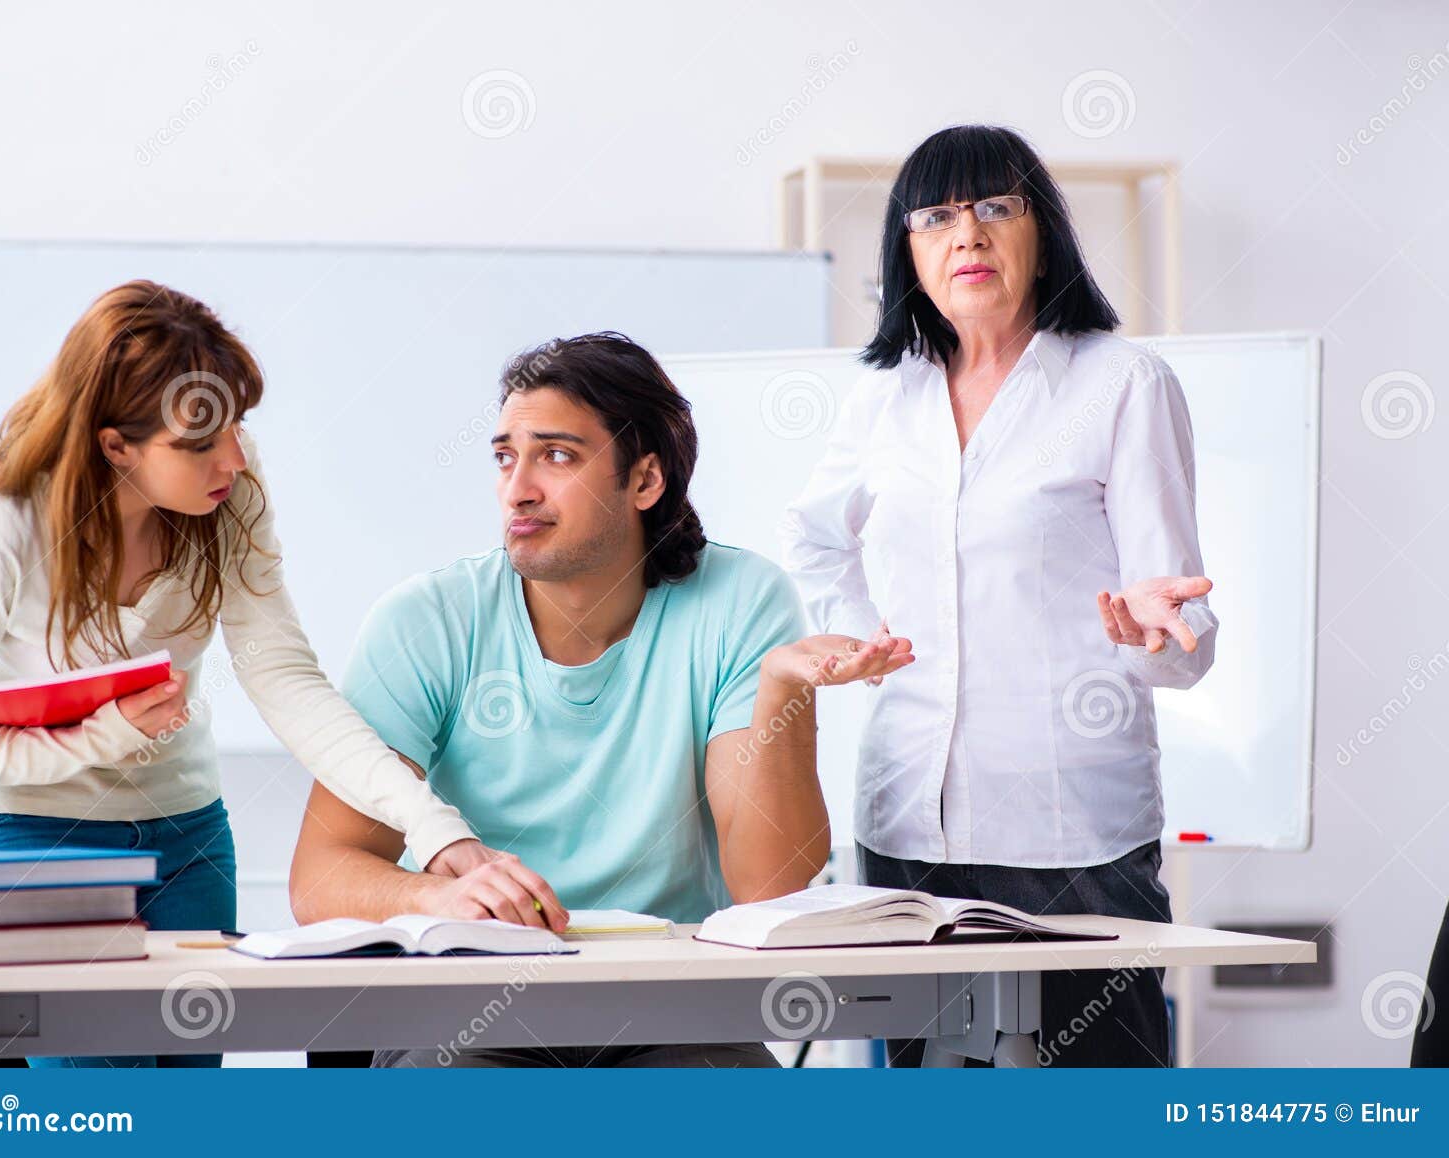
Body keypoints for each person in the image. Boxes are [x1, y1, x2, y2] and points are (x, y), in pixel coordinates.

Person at [0, 280, 512, 1067]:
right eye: (196, 444)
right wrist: (102, 737)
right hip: (33, 840)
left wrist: (434, 829)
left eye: (237, 426)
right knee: (109, 1112)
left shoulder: (234, 492)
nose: (232, 458)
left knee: (188, 1107)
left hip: (188, 838)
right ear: (116, 444)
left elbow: (287, 681)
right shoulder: (4, 529)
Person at [288, 332, 911, 1068]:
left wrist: (779, 692)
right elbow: (321, 875)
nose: (517, 487)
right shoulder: (426, 620)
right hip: (470, 1009)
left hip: (671, 1013)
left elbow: (767, 887)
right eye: (504, 456)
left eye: (555, 455)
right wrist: (437, 900)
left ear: (644, 481)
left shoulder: (741, 601)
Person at [781, 125, 1217, 1067]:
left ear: (1041, 232)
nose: (965, 236)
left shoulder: (1120, 384)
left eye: (993, 209)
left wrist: (1156, 636)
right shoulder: (883, 398)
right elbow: (815, 541)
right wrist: (862, 641)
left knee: (1098, 1110)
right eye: (935, 218)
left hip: (1072, 826)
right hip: (908, 819)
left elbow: (1186, 626)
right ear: (908, 254)